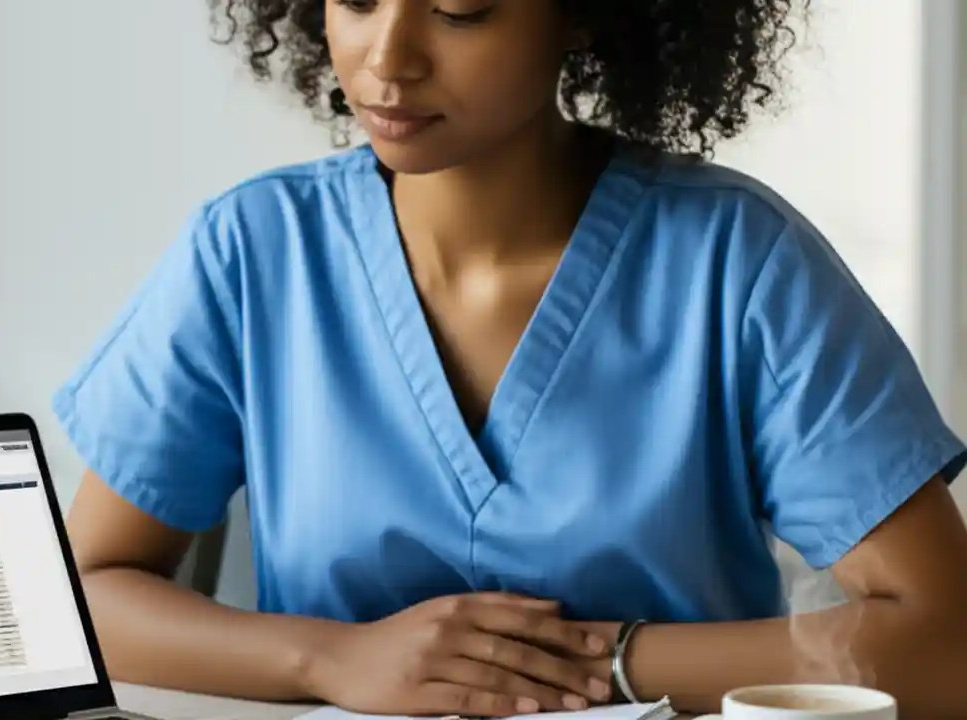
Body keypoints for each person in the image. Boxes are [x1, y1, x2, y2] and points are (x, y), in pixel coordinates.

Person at [55, 1, 967, 716]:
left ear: (579, 14)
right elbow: (83, 596)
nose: (387, 59)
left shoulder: (740, 260)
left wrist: (598, 662)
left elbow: (946, 643)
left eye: (459, 12)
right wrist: (336, 659)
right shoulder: (251, 251)